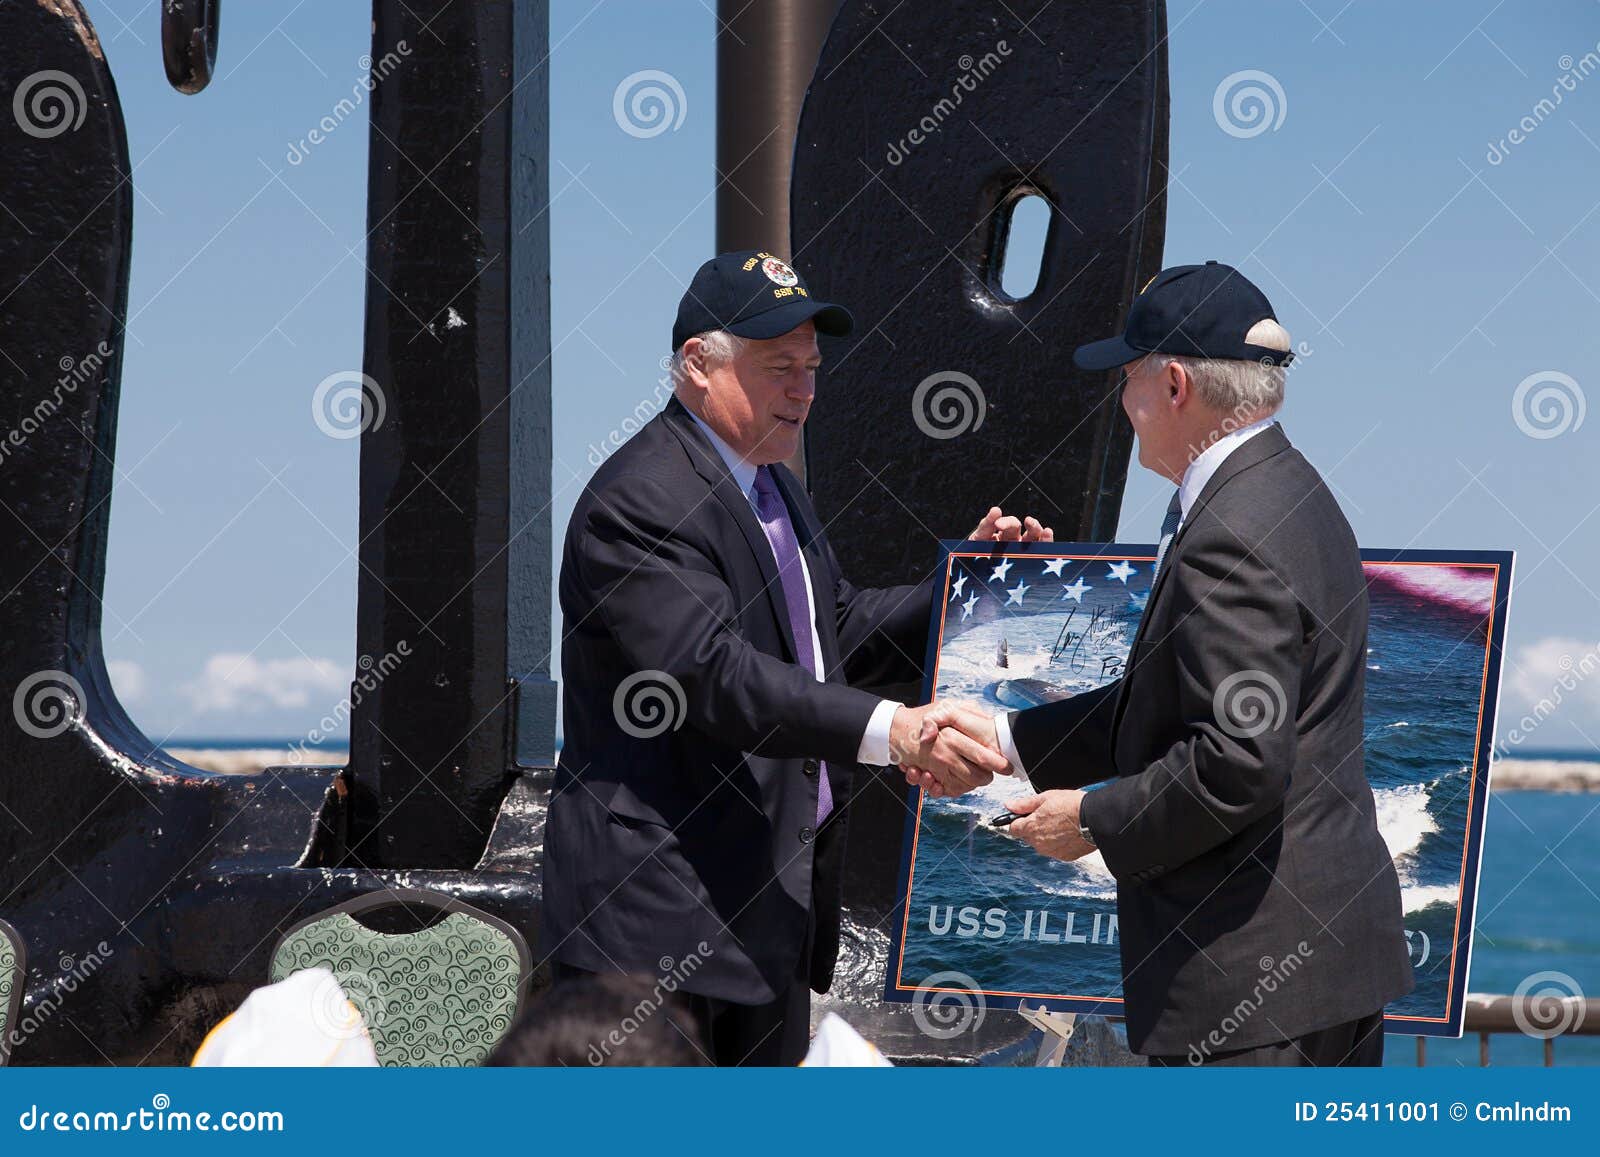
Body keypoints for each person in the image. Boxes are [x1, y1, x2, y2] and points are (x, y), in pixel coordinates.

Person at [540, 250, 1046, 1066]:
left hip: (763, 917)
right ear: (699, 367)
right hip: (655, 927)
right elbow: (715, 673)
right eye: (781, 369)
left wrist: (966, 589)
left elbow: (829, 630)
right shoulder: (637, 499)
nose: (805, 390)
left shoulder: (772, 482)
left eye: (811, 367)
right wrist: (898, 732)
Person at [907, 261, 1413, 1066]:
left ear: (1174, 383)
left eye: (1129, 378)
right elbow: (1173, 697)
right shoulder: (1288, 490)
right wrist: (1005, 736)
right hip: (1322, 969)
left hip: (1252, 989)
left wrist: (1091, 820)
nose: (1122, 401)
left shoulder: (1229, 531)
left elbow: (1237, 761)